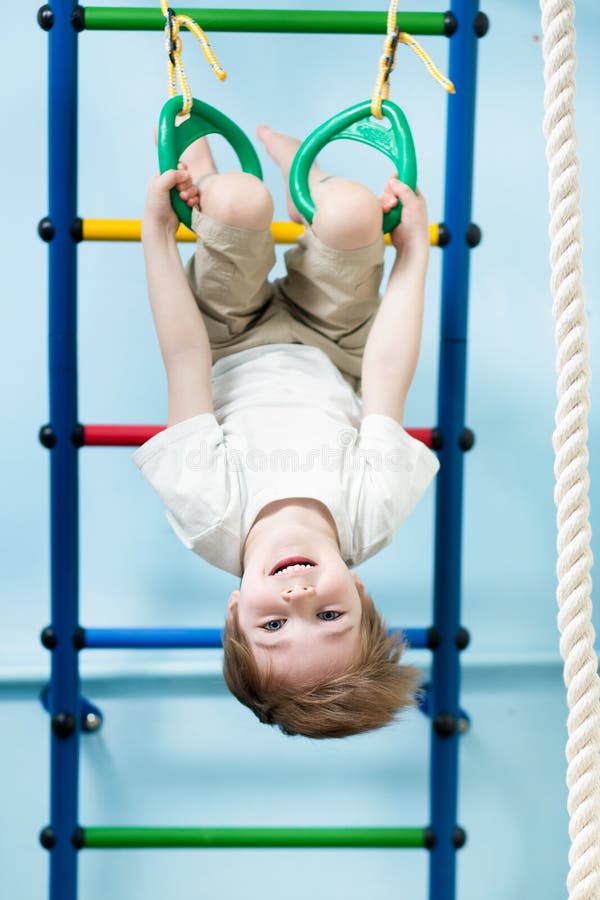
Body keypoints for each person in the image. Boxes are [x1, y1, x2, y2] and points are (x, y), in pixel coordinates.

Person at [134, 123, 439, 739]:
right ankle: (309, 175)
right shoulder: (373, 511)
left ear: (234, 613)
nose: (299, 597)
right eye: (330, 613)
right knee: (354, 212)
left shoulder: (208, 510)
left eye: (272, 626)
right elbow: (385, 370)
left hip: (227, 336)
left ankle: (200, 154)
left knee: (237, 203)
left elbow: (185, 357)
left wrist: (158, 236)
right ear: (358, 590)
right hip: (336, 344)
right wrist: (413, 254)